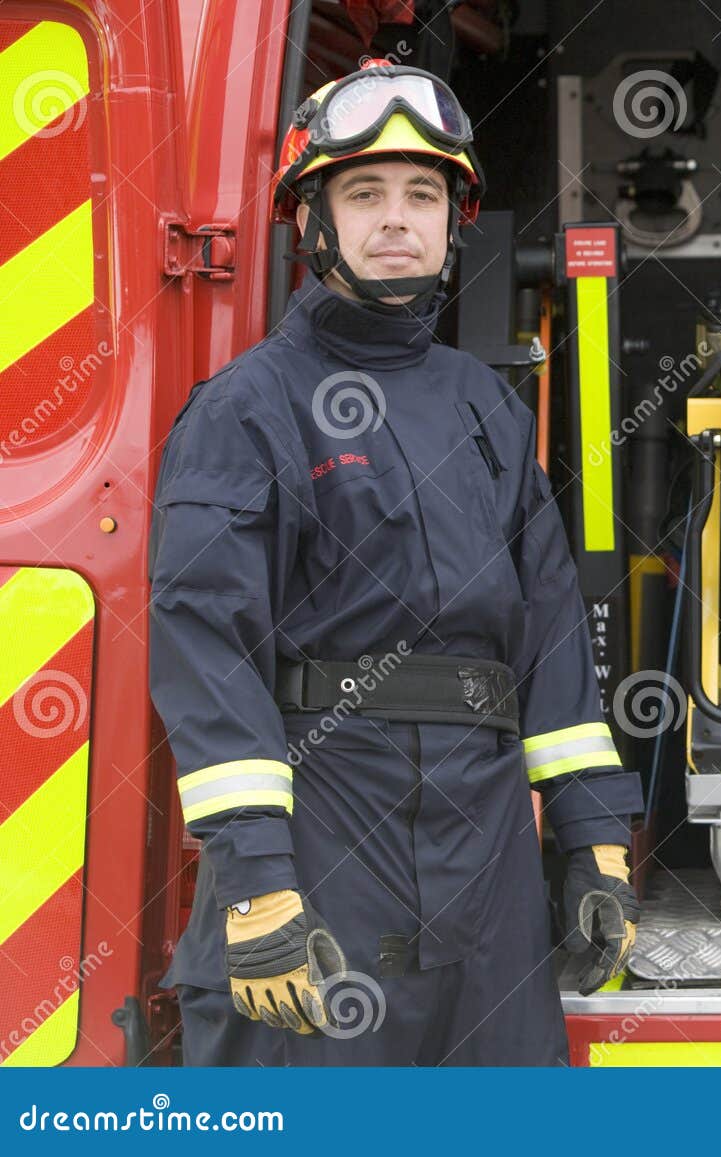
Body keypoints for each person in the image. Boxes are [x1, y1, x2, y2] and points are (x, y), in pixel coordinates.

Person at [149, 61, 642, 1065]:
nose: (396, 219)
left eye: (422, 194)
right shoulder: (245, 408)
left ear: (454, 221)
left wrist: (593, 841)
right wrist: (254, 876)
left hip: (487, 858)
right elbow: (208, 644)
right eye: (363, 192)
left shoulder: (486, 407)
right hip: (325, 836)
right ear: (311, 222)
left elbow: (550, 637)